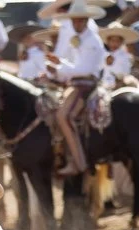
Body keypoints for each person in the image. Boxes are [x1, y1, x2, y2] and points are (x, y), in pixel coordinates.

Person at [45, 0, 106, 176]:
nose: (77, 23)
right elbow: (76, 66)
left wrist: (58, 68)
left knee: (63, 116)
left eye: (80, 20)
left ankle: (79, 162)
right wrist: (59, 65)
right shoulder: (82, 39)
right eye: (74, 21)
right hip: (79, 82)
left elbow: (84, 70)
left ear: (87, 21)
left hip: (85, 84)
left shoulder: (91, 41)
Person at [98, 21, 139, 88]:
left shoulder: (126, 56)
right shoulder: (104, 55)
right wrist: (105, 62)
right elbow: (99, 68)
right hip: (104, 83)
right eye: (112, 41)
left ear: (121, 42)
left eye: (117, 41)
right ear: (108, 42)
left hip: (119, 84)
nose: (114, 44)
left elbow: (125, 72)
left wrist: (112, 64)